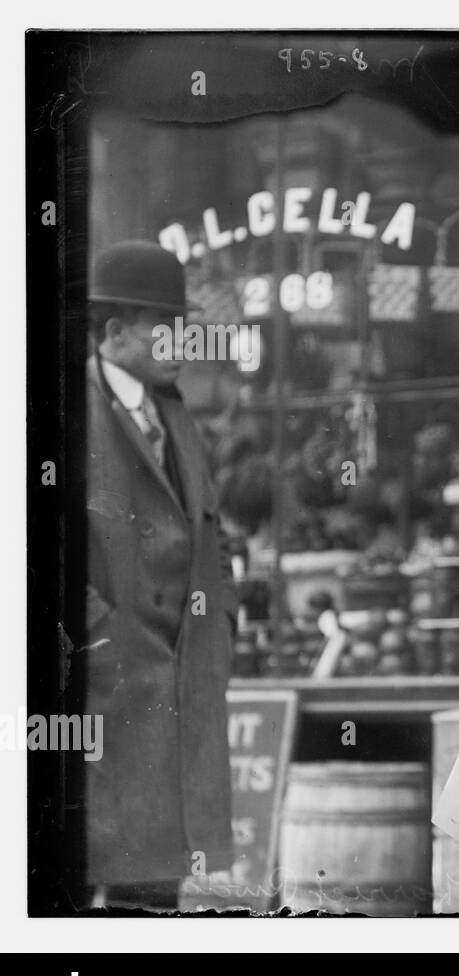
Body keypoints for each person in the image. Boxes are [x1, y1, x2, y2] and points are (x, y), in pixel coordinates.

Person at [82, 241, 237, 910]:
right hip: (96, 694)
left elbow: (212, 532)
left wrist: (222, 622)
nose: (187, 342)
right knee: (76, 877)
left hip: (180, 690)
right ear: (115, 333)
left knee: (155, 884)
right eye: (168, 328)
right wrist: (96, 639)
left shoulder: (176, 414)